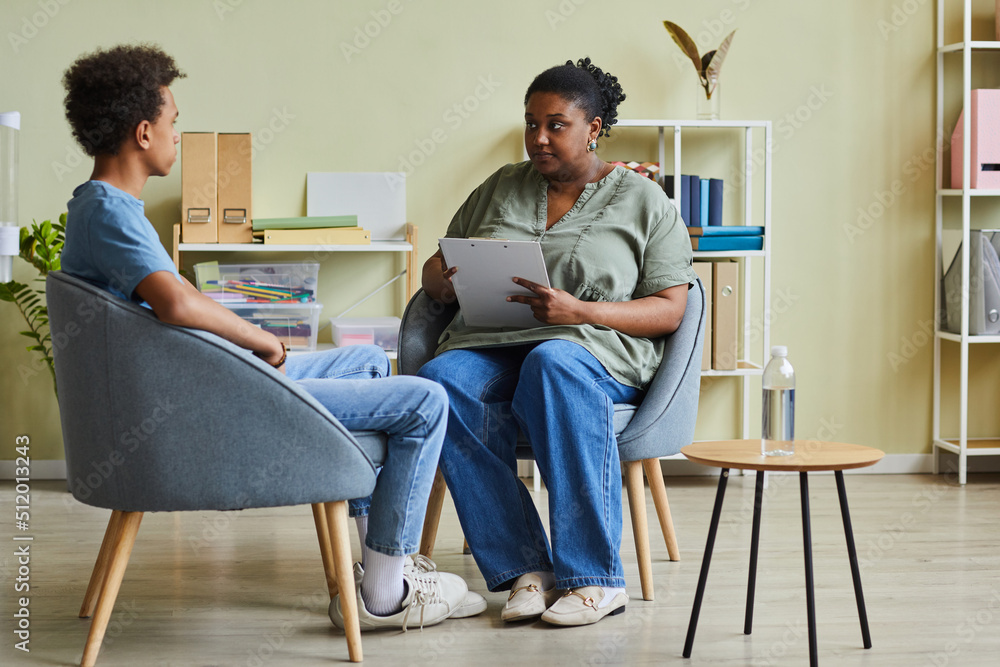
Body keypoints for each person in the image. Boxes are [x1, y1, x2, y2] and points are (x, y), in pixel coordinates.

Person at [58, 43, 483, 631]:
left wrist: (247, 345)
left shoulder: (103, 208)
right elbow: (177, 303)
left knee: (364, 361)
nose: (177, 135)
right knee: (426, 400)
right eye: (174, 122)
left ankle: (376, 565)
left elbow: (173, 305)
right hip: (207, 400)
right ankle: (387, 593)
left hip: (205, 380)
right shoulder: (111, 213)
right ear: (143, 132)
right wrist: (261, 338)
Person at [417, 58, 697, 627]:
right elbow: (433, 271)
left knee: (553, 362)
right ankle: (527, 569)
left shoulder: (646, 201)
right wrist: (444, 278)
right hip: (493, 342)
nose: (539, 138)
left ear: (593, 128)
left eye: (555, 125)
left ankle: (595, 579)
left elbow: (672, 309)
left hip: (593, 350)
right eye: (531, 124)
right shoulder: (500, 186)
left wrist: (581, 310)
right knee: (442, 381)